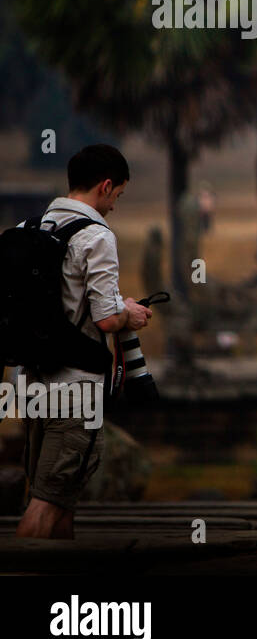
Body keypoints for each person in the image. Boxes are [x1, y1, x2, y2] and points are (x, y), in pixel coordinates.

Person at [14, 145, 152, 539]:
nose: (114, 206)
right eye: (118, 196)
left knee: (60, 498)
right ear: (106, 186)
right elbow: (107, 319)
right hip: (75, 386)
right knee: (48, 500)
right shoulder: (96, 236)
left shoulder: (30, 227)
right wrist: (132, 313)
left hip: (28, 381)